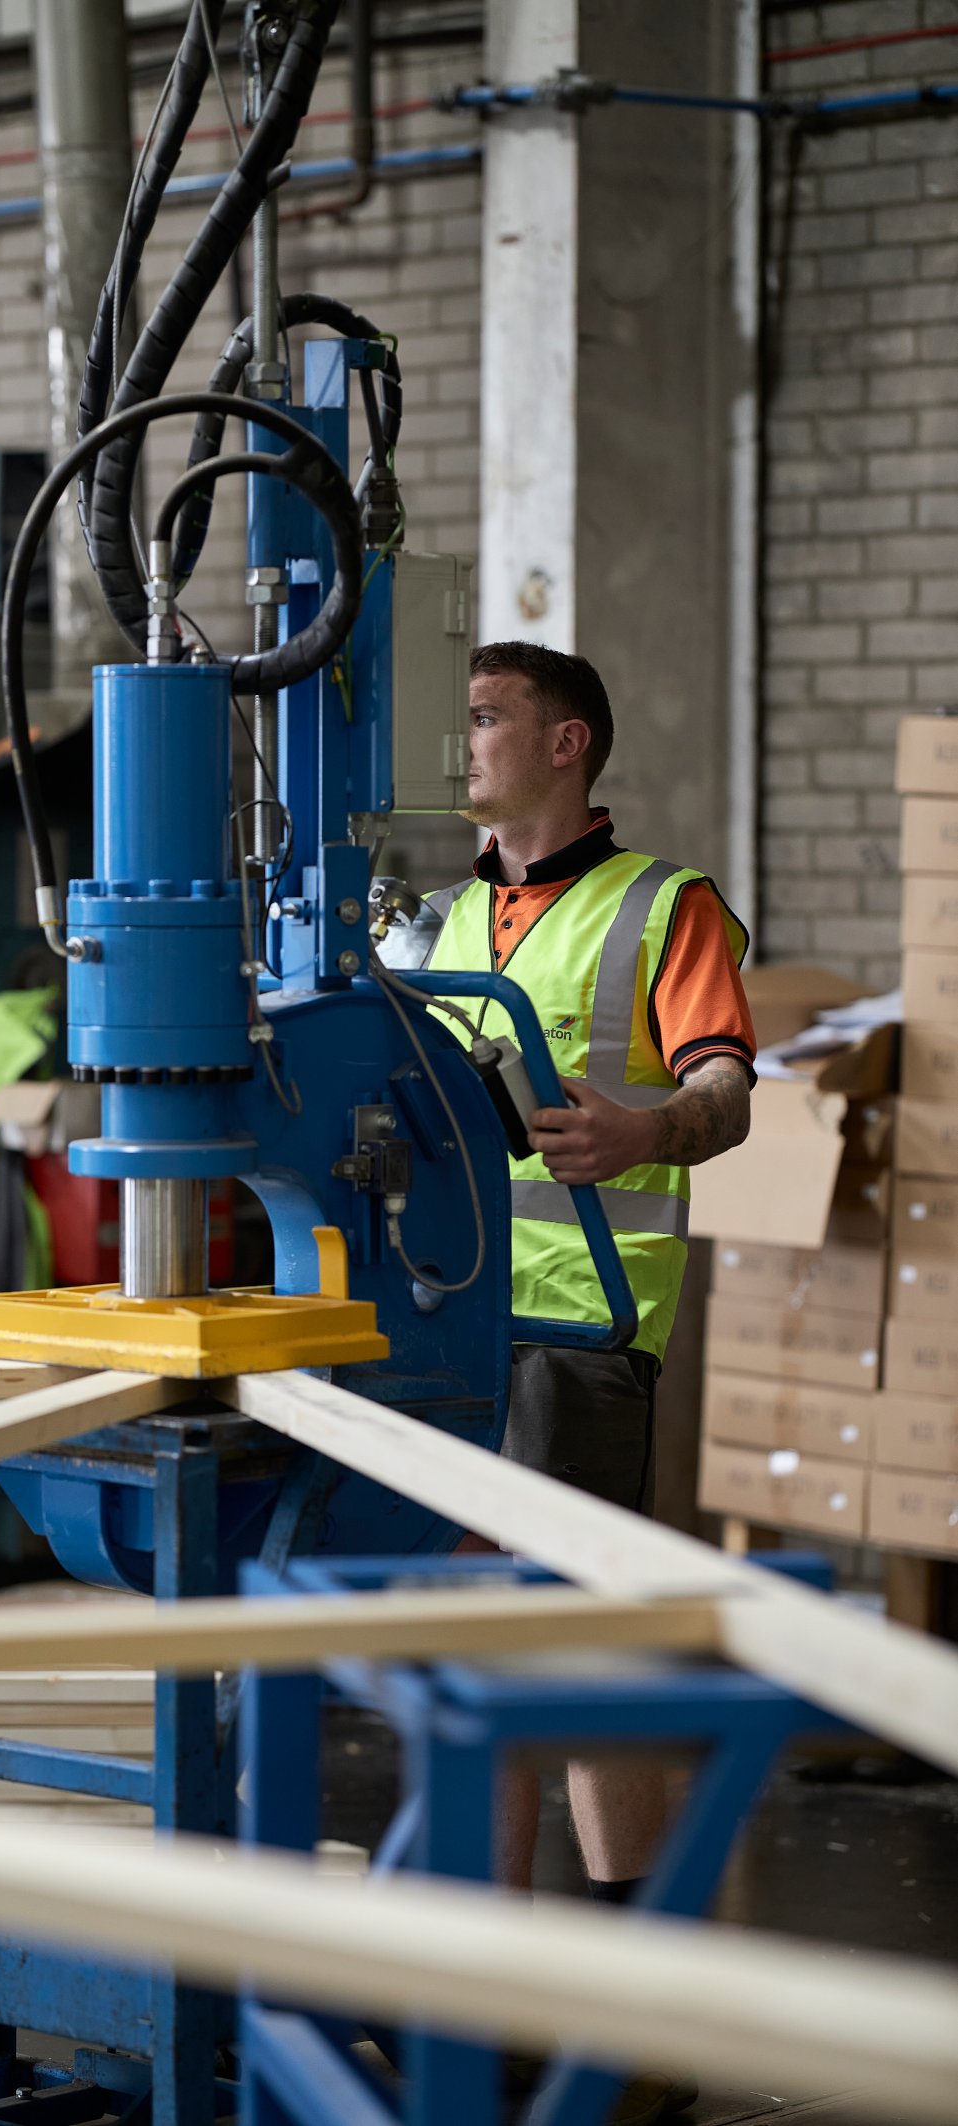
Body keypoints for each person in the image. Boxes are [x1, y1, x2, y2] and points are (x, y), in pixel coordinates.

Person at [422, 641, 755, 1924]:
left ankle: (632, 2000)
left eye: (485, 716)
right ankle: (492, 1987)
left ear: (566, 742)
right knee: (467, 1653)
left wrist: (645, 1128)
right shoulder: (445, 917)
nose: (463, 740)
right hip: (451, 1323)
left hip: (584, 1321)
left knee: (571, 1650)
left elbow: (724, 1092)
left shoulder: (663, 904)